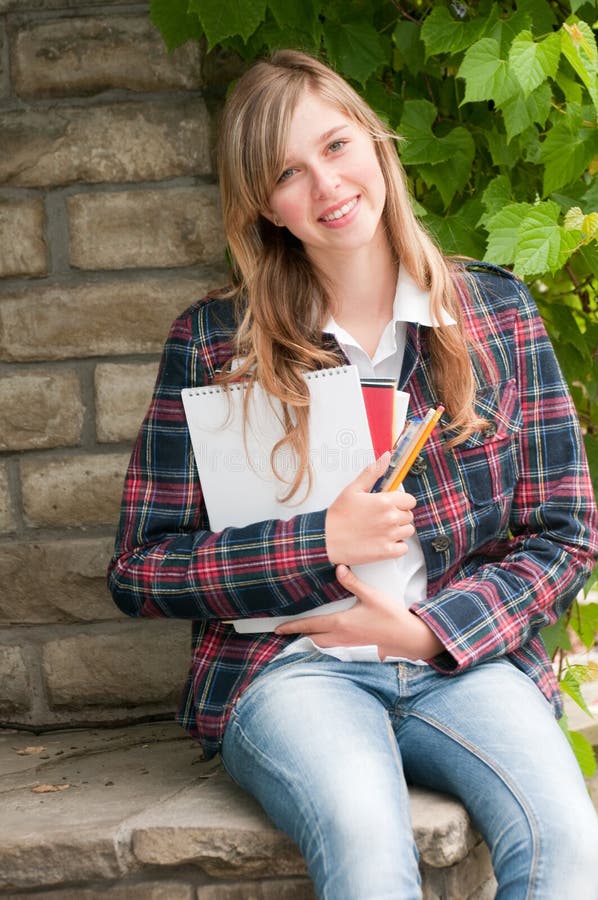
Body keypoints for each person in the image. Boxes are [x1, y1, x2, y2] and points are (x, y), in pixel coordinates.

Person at [108, 49, 598, 899]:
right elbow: (140, 567)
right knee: (369, 853)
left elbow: (567, 532)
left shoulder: (494, 314)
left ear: (374, 142)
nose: (326, 185)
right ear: (264, 207)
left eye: (336, 146)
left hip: (464, 665)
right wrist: (315, 543)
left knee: (571, 847)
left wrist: (434, 630)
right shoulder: (215, 344)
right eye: (288, 173)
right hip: (293, 674)